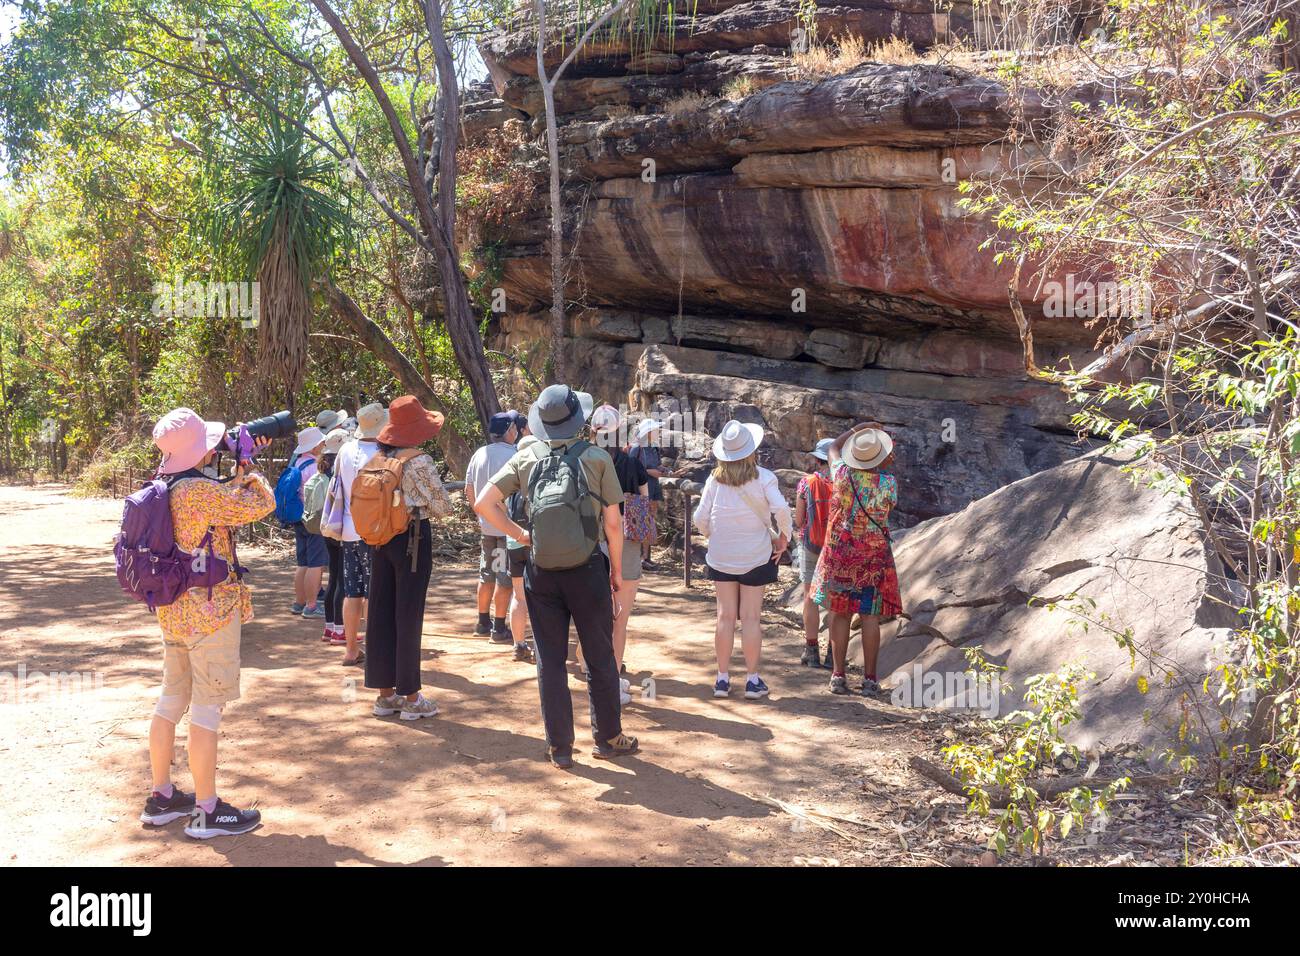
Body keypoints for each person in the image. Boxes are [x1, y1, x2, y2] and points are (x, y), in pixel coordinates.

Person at [474, 384, 640, 769]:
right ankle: (609, 738)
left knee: (549, 659)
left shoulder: (527, 456)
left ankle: (560, 747)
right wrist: (615, 572)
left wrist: (519, 535)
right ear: (578, 421)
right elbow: (613, 524)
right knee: (599, 655)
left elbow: (483, 501)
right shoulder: (597, 458)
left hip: (541, 570)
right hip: (587, 569)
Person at [142, 408, 274, 839]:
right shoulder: (199, 490)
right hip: (211, 610)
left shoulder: (163, 485)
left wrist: (231, 468)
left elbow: (217, 508)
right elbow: (261, 504)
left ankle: (162, 797)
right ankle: (207, 810)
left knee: (171, 699)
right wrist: (248, 465)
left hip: (174, 608)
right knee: (206, 707)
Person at [366, 396, 453, 720]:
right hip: (412, 540)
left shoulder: (378, 459)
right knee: (408, 615)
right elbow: (443, 507)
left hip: (378, 539)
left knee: (381, 613)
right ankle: (412, 697)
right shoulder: (418, 462)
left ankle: (385, 695)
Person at [692, 420, 792, 701]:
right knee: (750, 617)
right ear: (752, 450)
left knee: (724, 616)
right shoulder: (764, 477)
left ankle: (722, 679)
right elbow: (781, 508)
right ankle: (752, 680)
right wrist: (784, 538)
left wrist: (712, 534)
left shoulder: (714, 479)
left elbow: (700, 517)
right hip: (756, 556)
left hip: (722, 556)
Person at [810, 423, 901, 696]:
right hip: (873, 559)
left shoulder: (840, 474)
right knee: (869, 617)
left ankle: (838, 676)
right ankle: (871, 680)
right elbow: (889, 506)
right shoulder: (888, 483)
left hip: (840, 556)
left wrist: (857, 428)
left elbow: (833, 447)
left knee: (839, 613)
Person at [591, 404, 649, 705]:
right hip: (626, 544)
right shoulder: (632, 464)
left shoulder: (582, 461)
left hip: (589, 542)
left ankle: (594, 671)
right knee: (619, 620)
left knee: (592, 616)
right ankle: (611, 681)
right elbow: (645, 503)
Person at [334, 402, 388, 666]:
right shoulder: (383, 452)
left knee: (352, 592)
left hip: (348, 530)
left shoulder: (344, 450)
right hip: (374, 532)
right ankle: (376, 647)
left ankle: (351, 649)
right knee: (372, 592)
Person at [464, 411, 520, 644]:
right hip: (508, 529)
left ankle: (482, 622)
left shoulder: (479, 454)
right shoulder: (515, 455)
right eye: (514, 428)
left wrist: (481, 513)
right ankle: (498, 627)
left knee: (487, 573)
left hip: (487, 527)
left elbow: (469, 489)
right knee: (504, 577)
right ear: (509, 431)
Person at [504, 424, 543, 664]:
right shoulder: (539, 477)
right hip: (536, 543)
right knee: (540, 597)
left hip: (514, 542)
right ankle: (542, 647)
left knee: (519, 596)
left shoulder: (510, 479)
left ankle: (519, 645)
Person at [794, 438, 835, 668]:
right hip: (835, 549)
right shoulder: (844, 483)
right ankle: (833, 654)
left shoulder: (806, 483)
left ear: (818, 459)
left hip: (810, 545)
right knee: (834, 601)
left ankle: (811, 652)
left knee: (810, 597)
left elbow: (799, 520)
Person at [288, 426, 328, 619]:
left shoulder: (297, 464)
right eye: (321, 443)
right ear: (314, 447)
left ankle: (299, 602)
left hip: (298, 518)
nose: (323, 446)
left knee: (303, 562)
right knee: (316, 564)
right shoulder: (314, 467)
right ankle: (312, 606)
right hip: (313, 520)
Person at [317, 427, 350, 645]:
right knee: (342, 581)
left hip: (327, 527)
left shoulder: (325, 469)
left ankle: (330, 627)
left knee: (333, 578)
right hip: (341, 530)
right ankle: (340, 630)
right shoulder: (343, 468)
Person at [628, 418, 672, 569]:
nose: (658, 432)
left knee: (649, 522)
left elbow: (657, 464)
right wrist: (652, 473)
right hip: (641, 491)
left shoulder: (653, 448)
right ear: (648, 432)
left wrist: (665, 470)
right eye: (656, 430)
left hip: (652, 489)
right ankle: (641, 558)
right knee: (642, 523)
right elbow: (633, 470)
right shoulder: (637, 448)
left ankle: (646, 557)